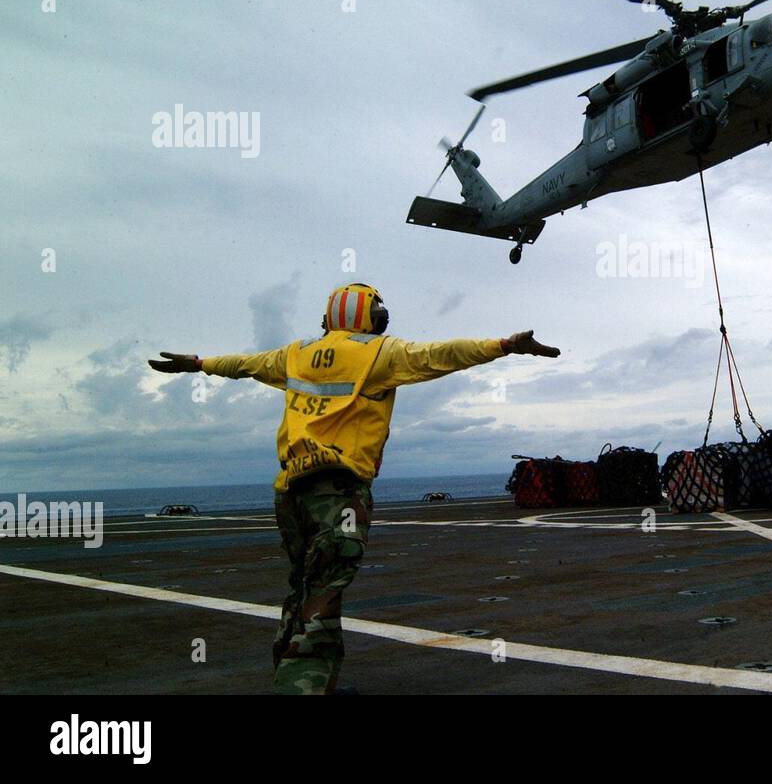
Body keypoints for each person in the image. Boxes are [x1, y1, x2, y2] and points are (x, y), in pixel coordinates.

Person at [148, 282, 560, 695]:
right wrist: (504, 345)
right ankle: (302, 687)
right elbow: (442, 355)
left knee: (304, 588)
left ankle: (296, 675)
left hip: (290, 492)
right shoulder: (380, 353)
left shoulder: (296, 354)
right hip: (339, 491)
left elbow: (245, 364)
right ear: (374, 317)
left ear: (329, 319)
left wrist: (200, 363)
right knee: (323, 593)